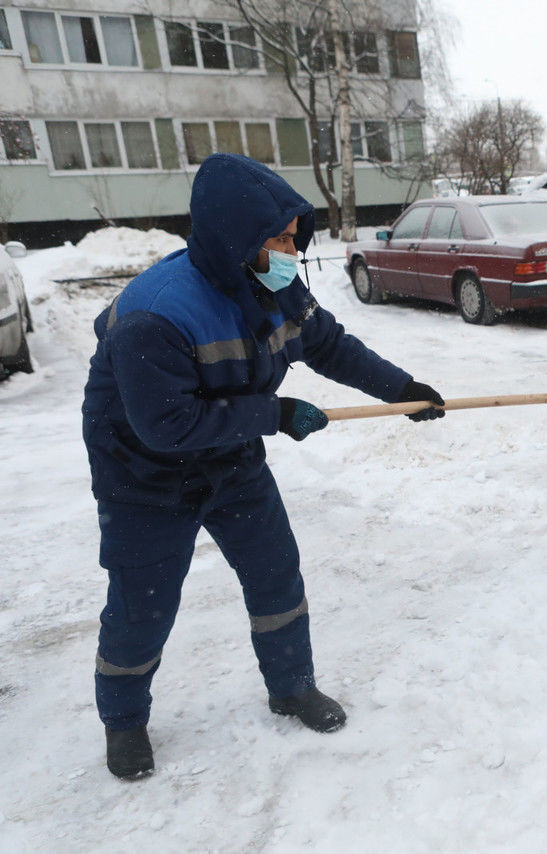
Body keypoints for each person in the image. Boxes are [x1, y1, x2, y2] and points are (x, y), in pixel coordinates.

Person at [82, 153, 447, 780]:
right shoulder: (156, 314)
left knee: (276, 571)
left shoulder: (274, 287)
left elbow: (329, 345)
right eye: (277, 239)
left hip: (230, 457)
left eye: (292, 238)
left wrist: (400, 390)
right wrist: (274, 415)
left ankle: (292, 686)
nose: (290, 250)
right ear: (236, 241)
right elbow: (166, 426)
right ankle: (124, 721)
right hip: (143, 473)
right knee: (143, 606)